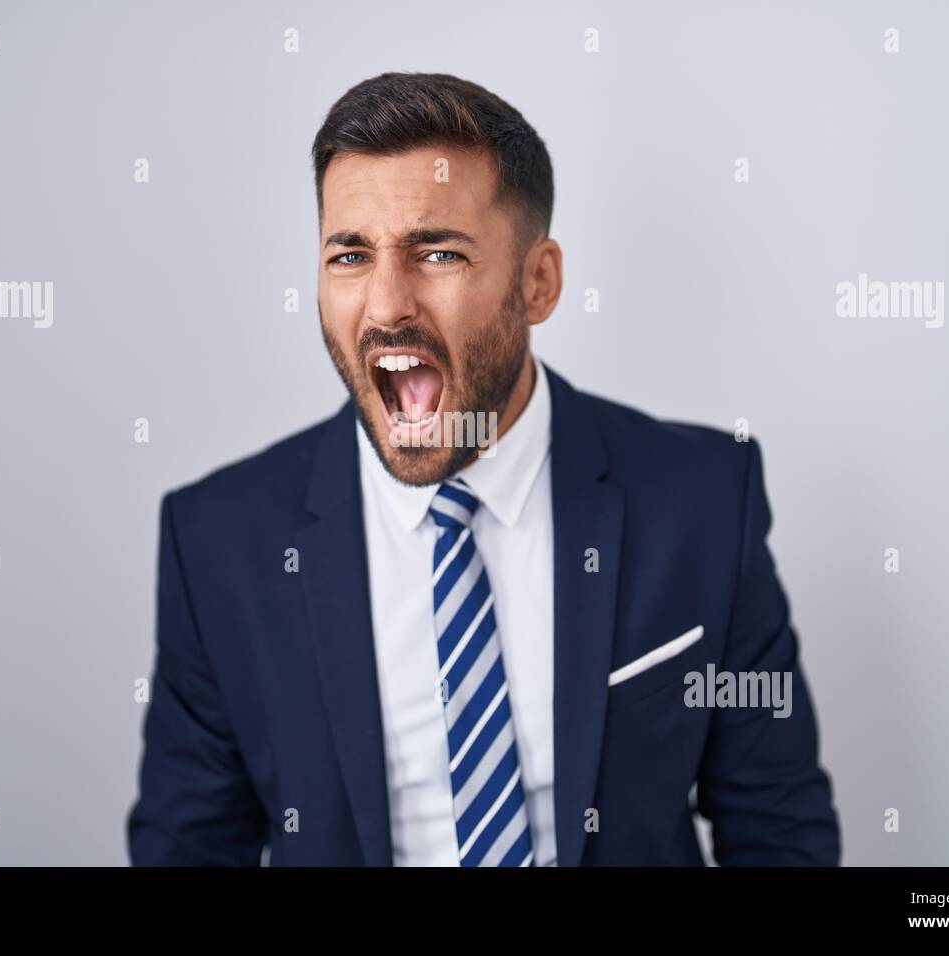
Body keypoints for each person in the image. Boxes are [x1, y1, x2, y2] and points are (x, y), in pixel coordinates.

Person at [128, 72, 840, 866]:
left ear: (538, 282)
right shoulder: (217, 542)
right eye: (350, 255)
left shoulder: (704, 502)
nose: (388, 304)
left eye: (438, 253)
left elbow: (777, 828)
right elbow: (188, 852)